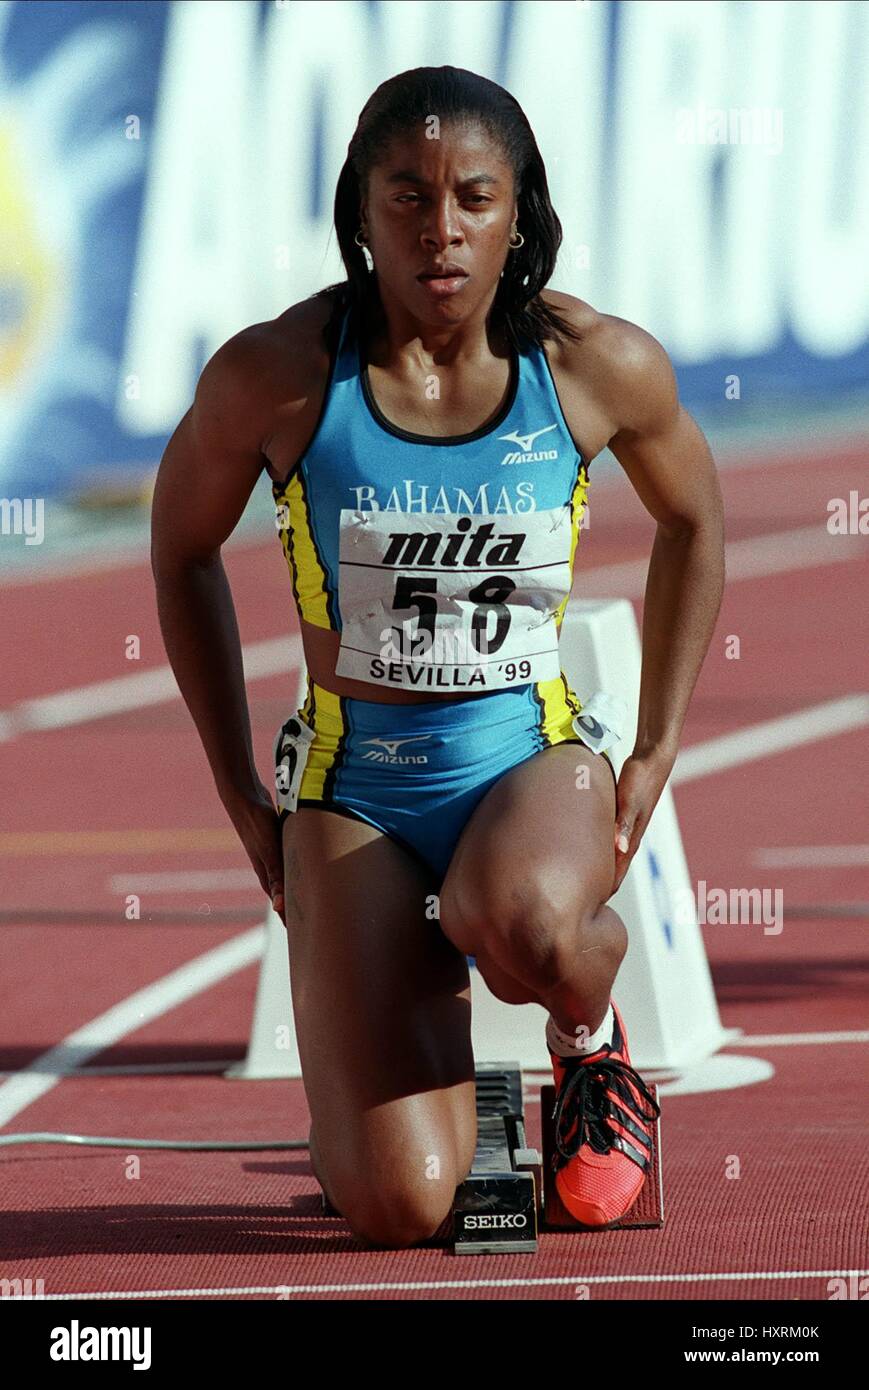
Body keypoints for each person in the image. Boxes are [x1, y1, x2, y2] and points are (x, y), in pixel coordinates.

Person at [151, 66, 724, 1250]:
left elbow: (694, 521)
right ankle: (392, 1097)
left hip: (522, 756)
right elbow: (179, 551)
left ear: (520, 212)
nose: (440, 227)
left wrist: (655, 750)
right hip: (355, 787)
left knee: (516, 917)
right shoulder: (280, 375)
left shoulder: (589, 367)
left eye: (473, 195)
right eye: (405, 194)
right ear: (358, 208)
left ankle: (589, 1043)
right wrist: (240, 797)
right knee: (399, 1204)